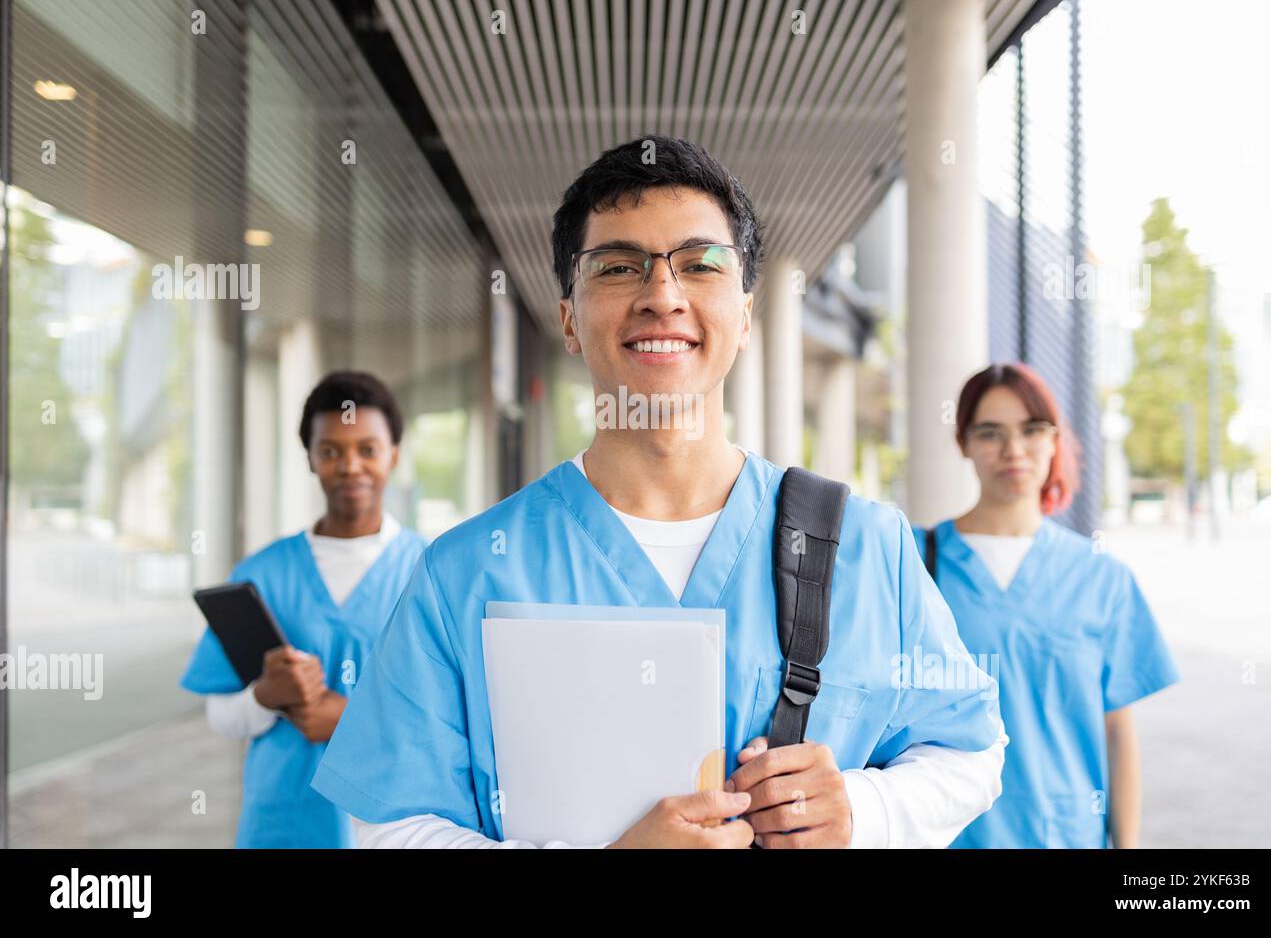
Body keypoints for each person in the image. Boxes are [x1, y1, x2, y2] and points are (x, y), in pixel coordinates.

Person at [312, 135, 1008, 849]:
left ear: (744, 316)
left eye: (700, 265)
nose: (661, 296)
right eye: (618, 267)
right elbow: (392, 826)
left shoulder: (866, 545)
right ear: (569, 319)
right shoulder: (464, 572)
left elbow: (972, 752)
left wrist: (863, 808)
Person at [914, 363, 1179, 848]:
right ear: (963, 443)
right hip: (952, 836)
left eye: (1032, 430)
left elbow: (1118, 734)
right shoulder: (915, 565)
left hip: (1067, 837)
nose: (1014, 451)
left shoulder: (1102, 577)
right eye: (991, 433)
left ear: (1055, 439)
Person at [180, 370, 427, 847]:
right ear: (311, 460)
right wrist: (263, 696)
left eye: (367, 449)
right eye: (331, 451)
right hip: (284, 827)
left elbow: (462, 721)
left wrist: (353, 724)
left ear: (393, 455)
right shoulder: (261, 574)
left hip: (396, 828)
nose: (350, 466)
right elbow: (221, 717)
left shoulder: (432, 572)